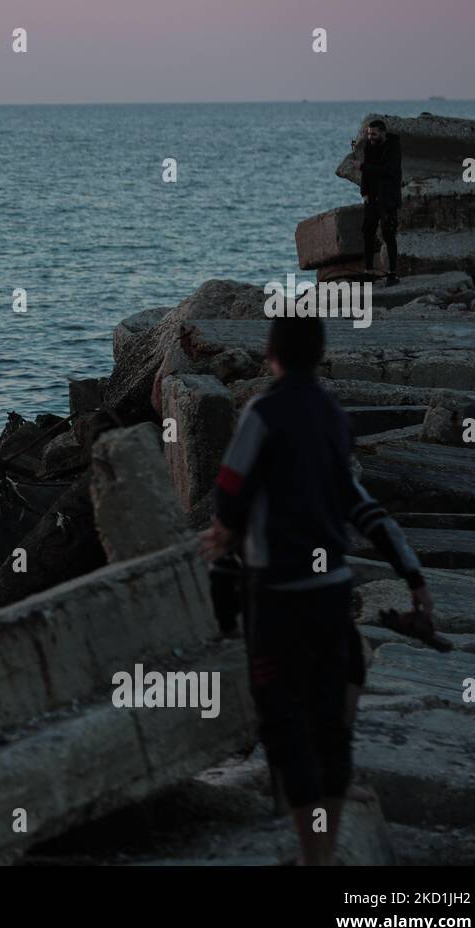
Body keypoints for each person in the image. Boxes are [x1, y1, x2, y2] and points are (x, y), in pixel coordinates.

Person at [198, 315, 432, 866]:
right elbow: (360, 505)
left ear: (270, 355)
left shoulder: (263, 412)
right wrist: (413, 576)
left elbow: (229, 490)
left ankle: (313, 857)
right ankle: (323, 852)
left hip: (276, 592)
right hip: (330, 589)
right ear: (321, 356)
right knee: (332, 715)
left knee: (284, 724)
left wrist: (224, 593)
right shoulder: (332, 415)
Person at [357, 120, 403, 286]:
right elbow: (366, 173)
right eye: (369, 134)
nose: (371, 137)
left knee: (388, 234)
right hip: (372, 197)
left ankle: (392, 274)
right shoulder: (369, 146)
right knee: (367, 232)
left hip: (388, 197)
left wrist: (364, 167)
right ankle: (368, 271)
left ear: (383, 133)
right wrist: (364, 192)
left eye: (374, 134)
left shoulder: (393, 147)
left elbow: (388, 171)